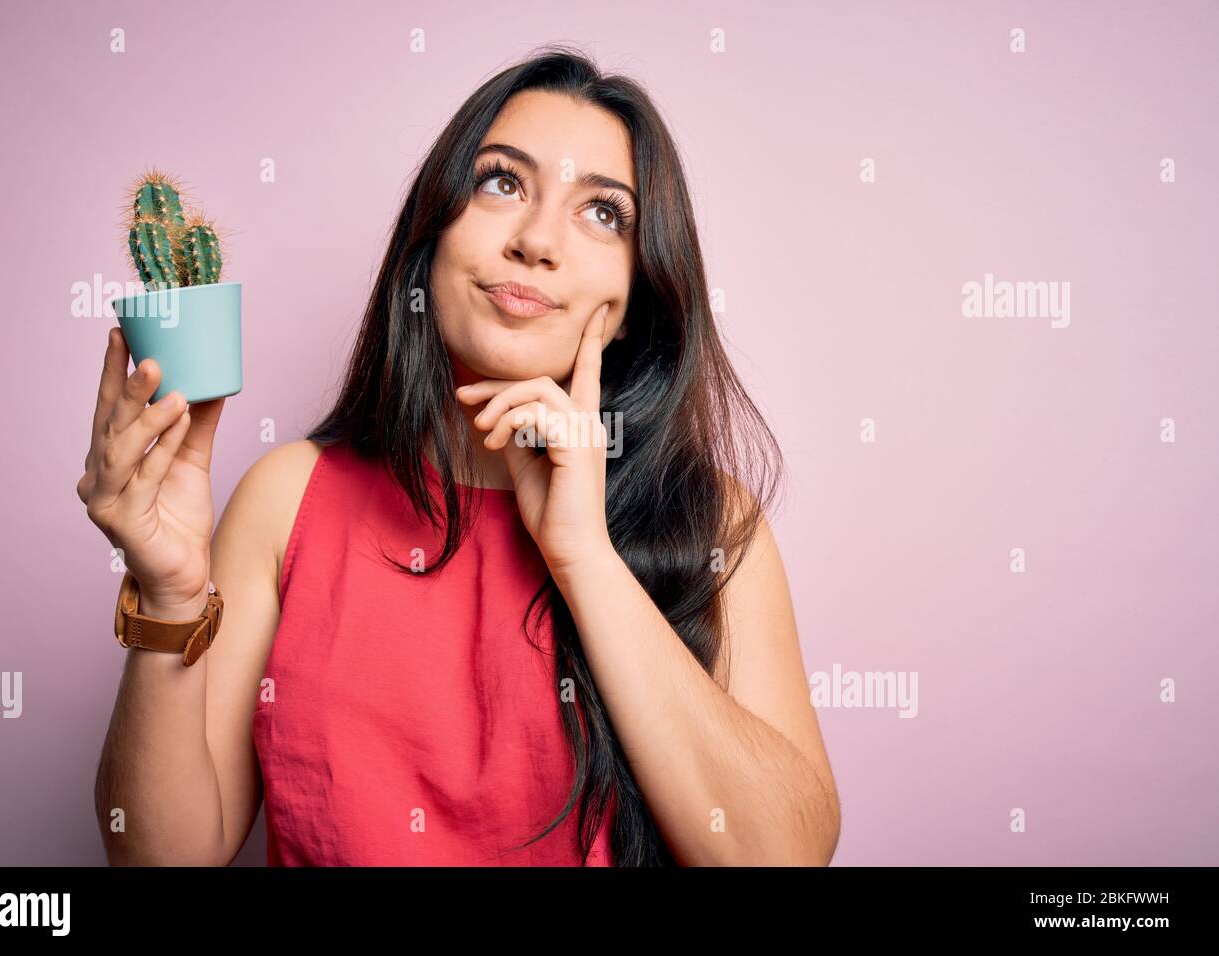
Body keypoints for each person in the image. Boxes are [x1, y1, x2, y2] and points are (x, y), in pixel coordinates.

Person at [78, 46, 840, 867]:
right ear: (430, 235)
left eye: (603, 213)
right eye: (502, 182)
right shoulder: (287, 498)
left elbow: (781, 858)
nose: (537, 241)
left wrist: (584, 557)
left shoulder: (713, 521)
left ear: (632, 301)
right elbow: (158, 859)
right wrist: (168, 597)